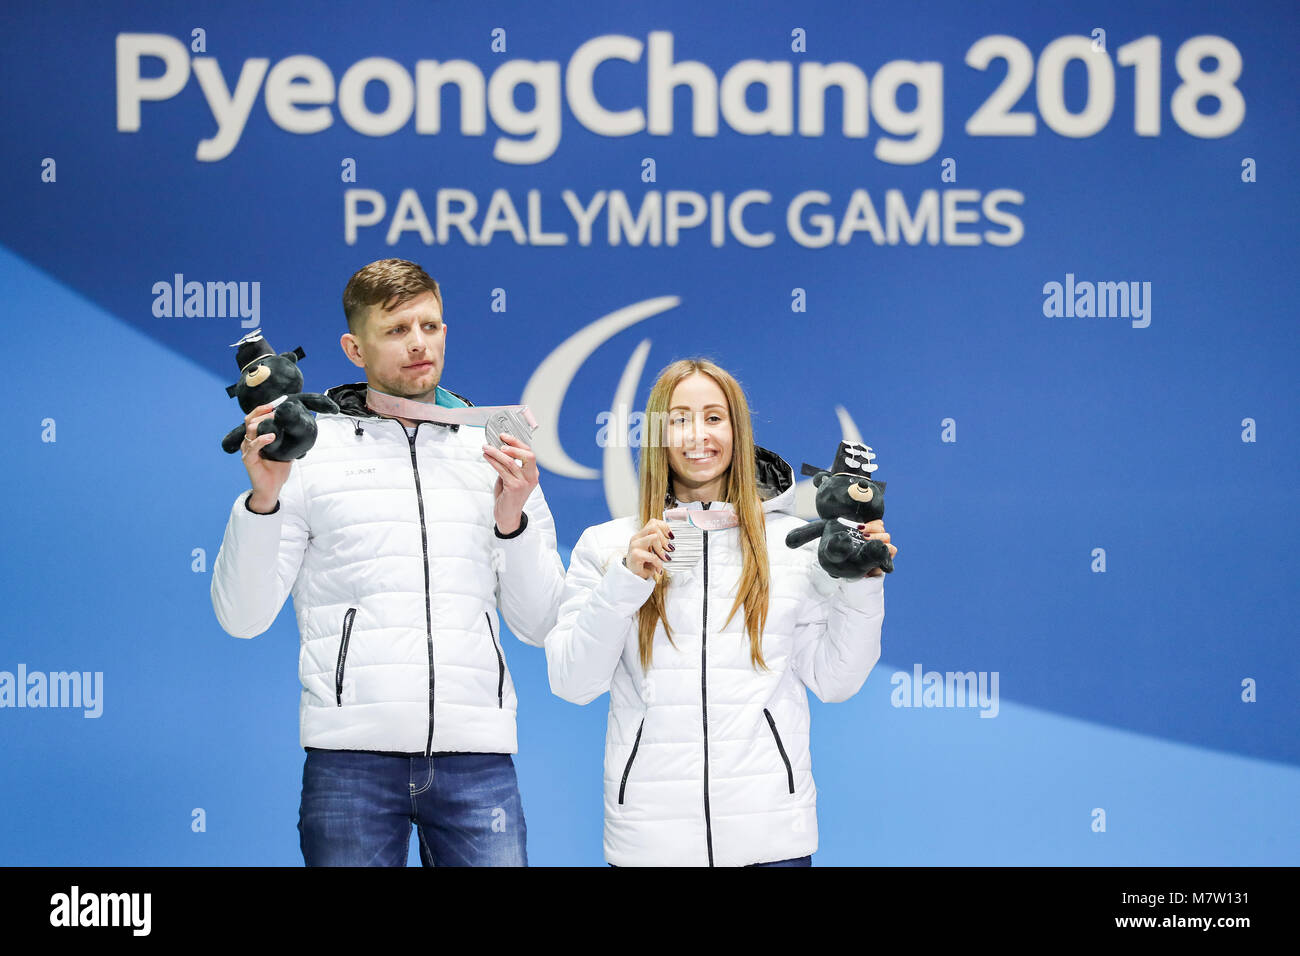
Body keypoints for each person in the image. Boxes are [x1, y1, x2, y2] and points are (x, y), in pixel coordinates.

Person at [210, 258, 565, 866]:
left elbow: (542, 622)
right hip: (350, 760)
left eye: (429, 325)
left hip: (477, 760)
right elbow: (242, 617)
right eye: (397, 331)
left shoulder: (499, 450)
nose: (419, 343)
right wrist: (262, 499)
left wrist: (513, 518)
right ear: (354, 347)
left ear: (446, 332)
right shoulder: (308, 454)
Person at [544, 358, 896, 867]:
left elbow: (835, 681)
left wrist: (862, 585)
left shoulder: (793, 546)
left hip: (771, 842)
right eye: (681, 417)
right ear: (659, 432)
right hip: (651, 846)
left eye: (714, 417)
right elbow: (572, 682)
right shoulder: (606, 546)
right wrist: (624, 582)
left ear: (737, 430)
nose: (698, 435)